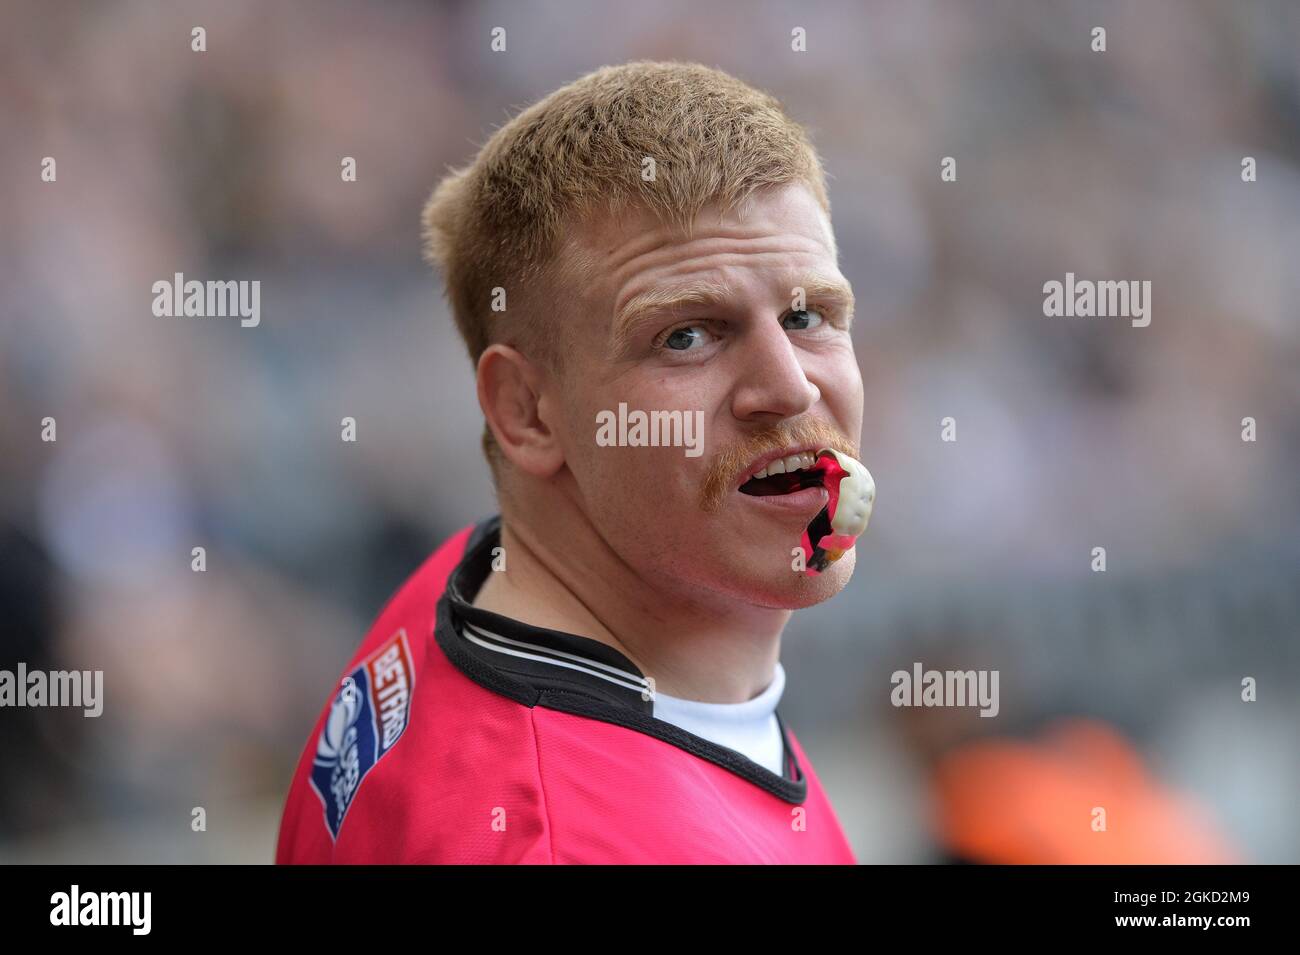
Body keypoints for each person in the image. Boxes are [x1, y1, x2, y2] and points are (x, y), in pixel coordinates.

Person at [276, 60, 871, 863]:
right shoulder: (564, 841)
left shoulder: (476, 578)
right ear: (524, 411)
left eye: (808, 315)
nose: (790, 387)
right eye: (686, 335)